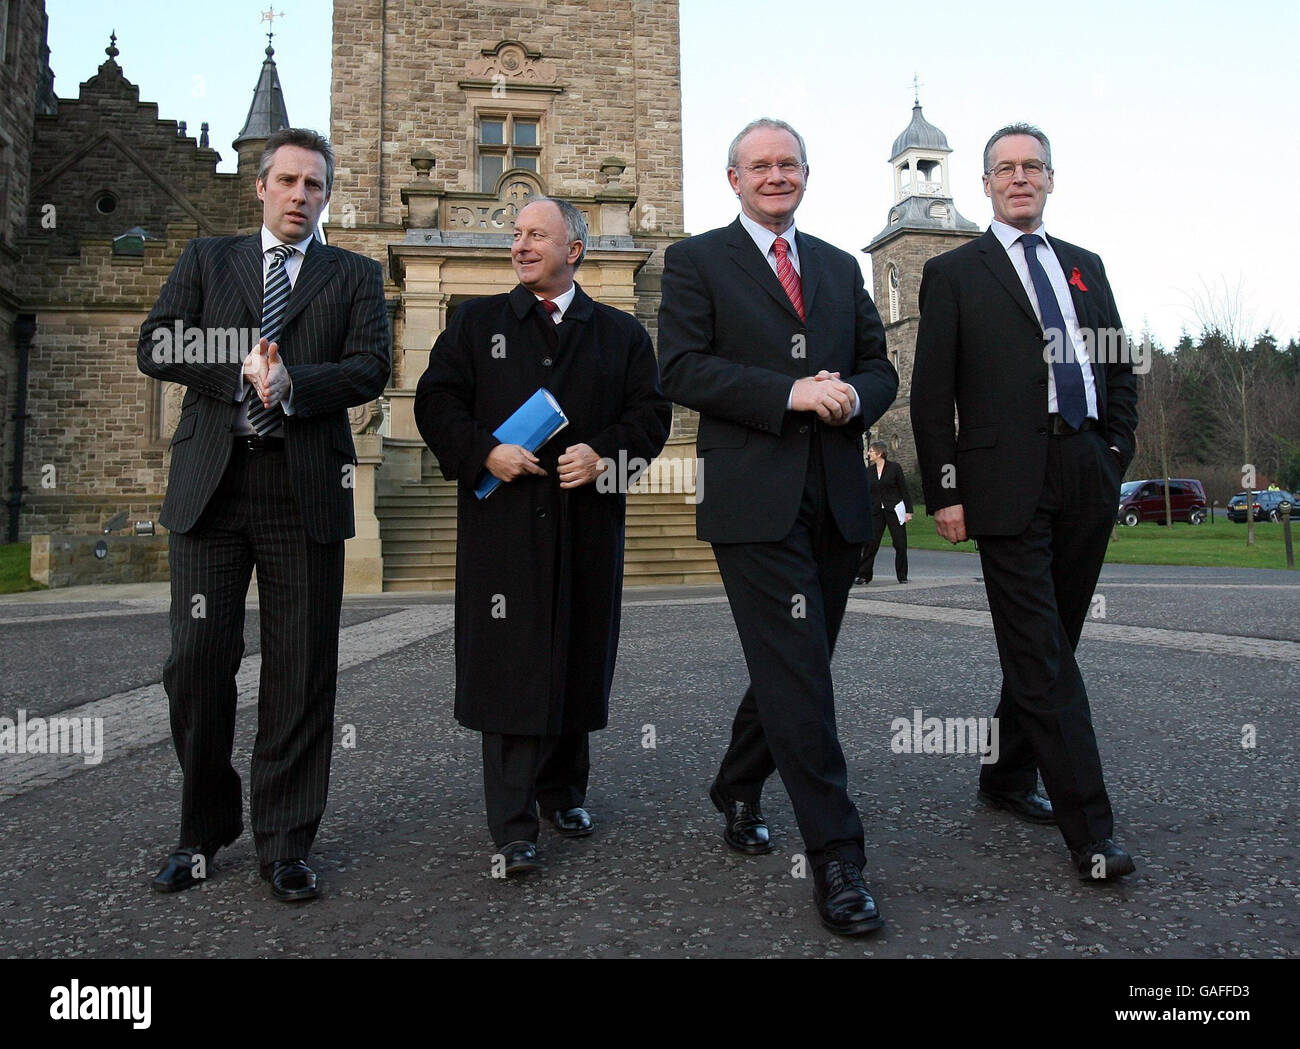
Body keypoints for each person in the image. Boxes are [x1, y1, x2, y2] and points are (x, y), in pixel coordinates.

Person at [657, 118, 898, 935]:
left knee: (794, 663)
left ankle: (736, 782)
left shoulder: (835, 266)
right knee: (802, 675)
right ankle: (838, 857)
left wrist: (853, 395)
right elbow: (681, 367)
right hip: (753, 500)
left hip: (836, 499)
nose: (775, 175)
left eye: (788, 163)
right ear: (733, 179)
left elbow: (881, 365)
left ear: (806, 174)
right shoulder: (695, 262)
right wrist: (789, 392)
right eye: (760, 165)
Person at [138, 127, 391, 902]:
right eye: (286, 181)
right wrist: (237, 367)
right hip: (213, 489)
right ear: (261, 186)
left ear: (326, 195)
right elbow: (156, 343)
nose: (299, 196)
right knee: (196, 664)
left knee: (300, 671)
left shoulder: (353, 275)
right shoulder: (207, 260)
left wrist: (295, 386)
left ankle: (285, 841)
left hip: (302, 488)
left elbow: (371, 366)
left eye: (314, 185)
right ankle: (204, 825)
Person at [414, 197, 670, 877]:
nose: (521, 245)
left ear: (574, 250)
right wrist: (482, 452)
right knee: (511, 664)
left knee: (576, 654)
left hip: (586, 526)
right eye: (517, 235)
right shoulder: (476, 324)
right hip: (503, 531)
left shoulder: (620, 334)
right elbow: (435, 402)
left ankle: (564, 792)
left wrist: (605, 454)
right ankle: (513, 822)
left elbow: (651, 417)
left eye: (537, 235)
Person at [910, 123, 1139, 882]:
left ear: (1050, 179)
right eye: (1005, 168)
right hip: (1002, 481)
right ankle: (1092, 830)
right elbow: (930, 395)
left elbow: (1117, 364)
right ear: (984, 184)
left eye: (1031, 167)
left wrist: (1114, 454)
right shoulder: (954, 273)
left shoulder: (1085, 266)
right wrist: (945, 490)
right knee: (1042, 654)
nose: (1019, 178)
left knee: (1052, 643)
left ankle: (1005, 774)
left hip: (1085, 467)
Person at [856, 441, 913, 584]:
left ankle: (902, 575)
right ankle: (864, 575)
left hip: (894, 509)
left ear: (880, 453)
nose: (868, 453)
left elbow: (903, 490)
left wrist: (909, 511)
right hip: (876, 512)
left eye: (871, 451)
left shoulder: (895, 468)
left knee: (900, 543)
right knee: (871, 543)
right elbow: (865, 493)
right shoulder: (869, 471)